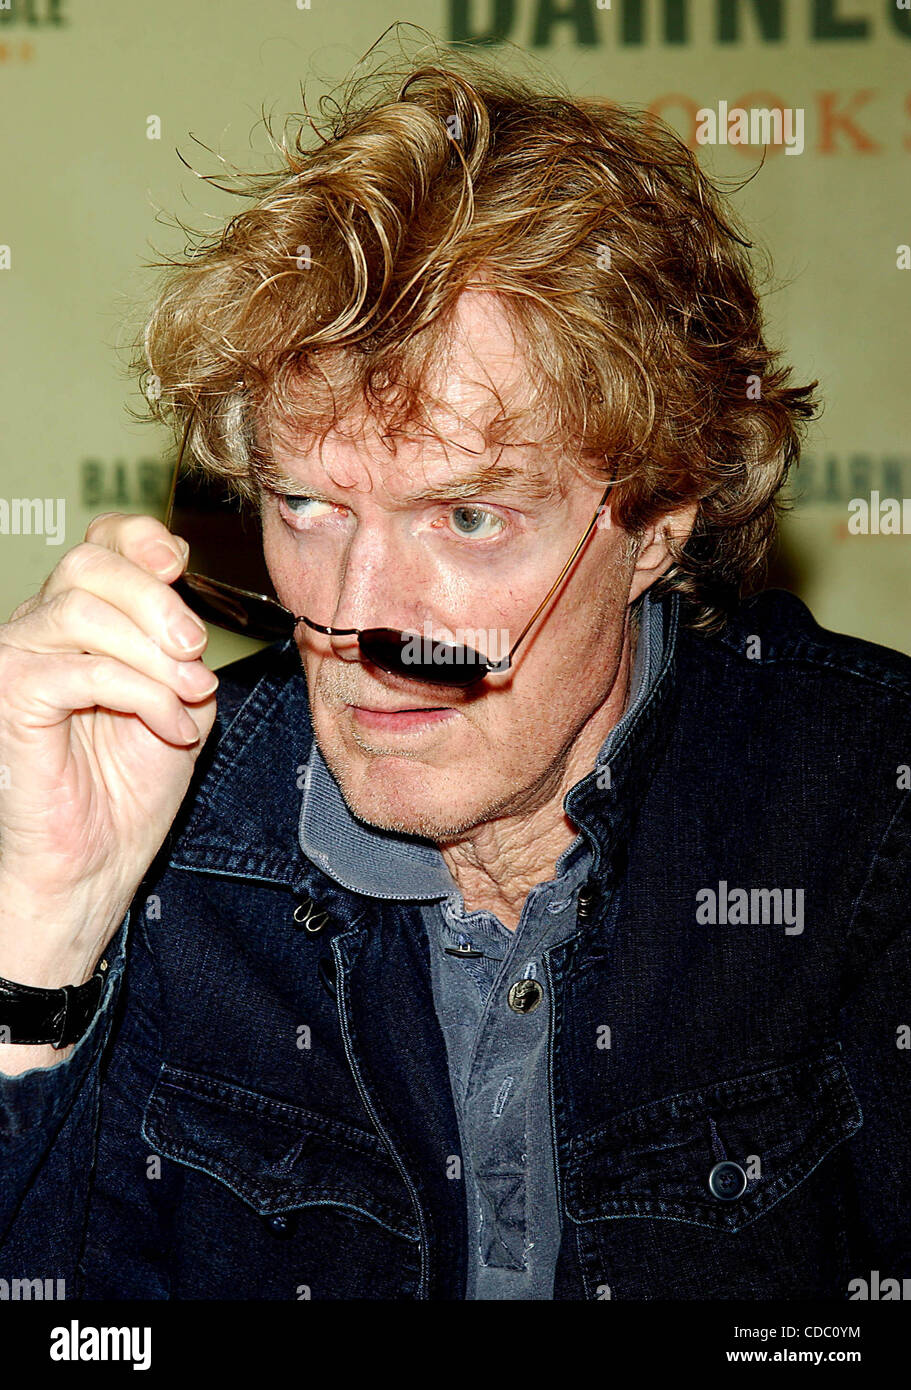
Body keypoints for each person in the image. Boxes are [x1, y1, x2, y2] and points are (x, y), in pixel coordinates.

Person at [0, 46, 909, 1302]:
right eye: (307, 505)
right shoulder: (171, 830)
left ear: (655, 523)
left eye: (467, 518)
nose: (359, 618)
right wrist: (42, 927)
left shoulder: (866, 813)